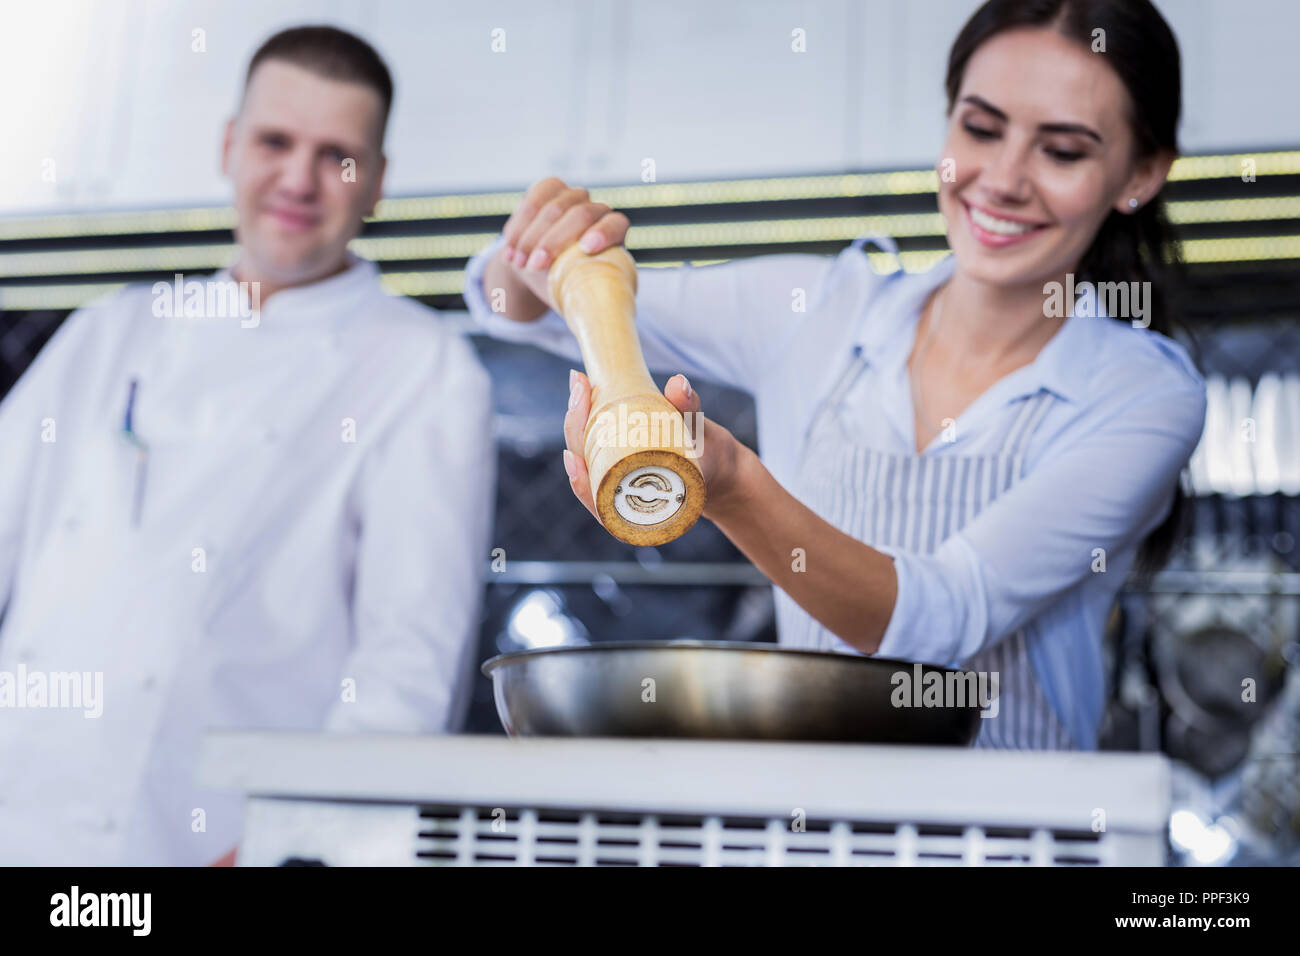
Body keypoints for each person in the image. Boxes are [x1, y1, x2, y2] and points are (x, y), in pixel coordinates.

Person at [463, 0, 1206, 751]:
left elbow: (940, 622)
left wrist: (731, 487)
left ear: (1140, 173)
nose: (1004, 179)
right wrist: (534, 251)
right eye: (980, 129)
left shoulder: (1142, 395)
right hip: (817, 830)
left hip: (1016, 837)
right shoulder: (817, 311)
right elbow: (507, 305)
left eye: (1063, 151)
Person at [0, 26, 495, 865]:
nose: (298, 179)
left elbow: (407, 659)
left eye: (336, 155)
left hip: (224, 837)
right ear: (230, 147)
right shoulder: (110, 331)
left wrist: (302, 840)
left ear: (375, 183)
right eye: (275, 141)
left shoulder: (424, 367)